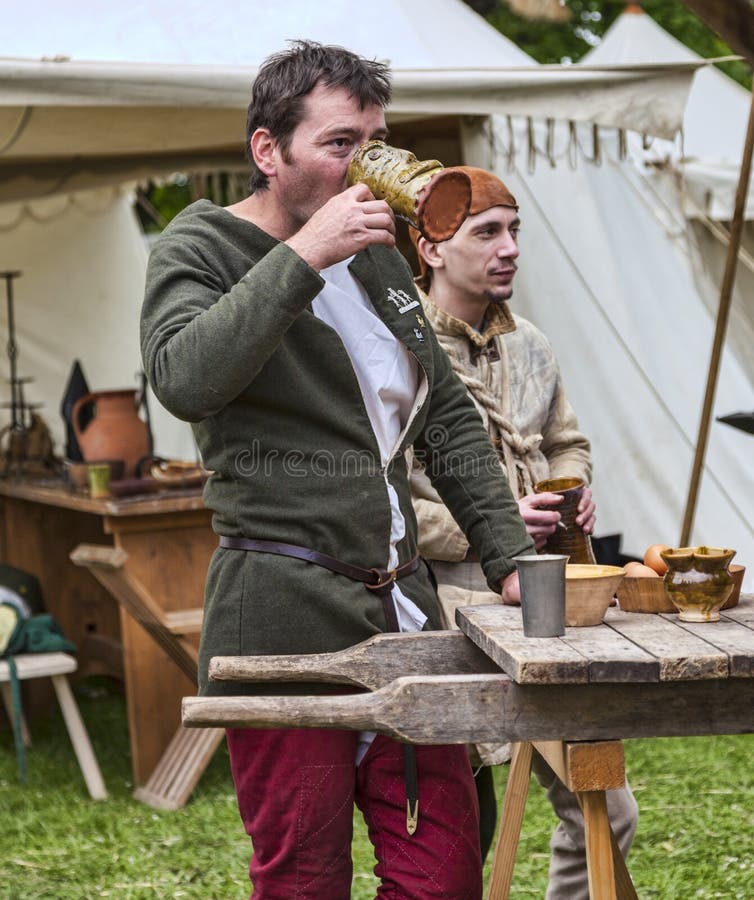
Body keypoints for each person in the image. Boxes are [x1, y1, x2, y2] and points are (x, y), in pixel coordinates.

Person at [141, 42, 535, 899]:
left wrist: (509, 559)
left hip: (405, 613)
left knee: (442, 880)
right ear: (267, 151)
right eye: (341, 144)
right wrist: (303, 255)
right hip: (283, 614)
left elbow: (447, 415)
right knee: (303, 882)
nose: (369, 164)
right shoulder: (201, 244)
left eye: (378, 140)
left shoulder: (382, 255)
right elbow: (184, 380)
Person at [408, 166, 639, 899]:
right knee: (460, 836)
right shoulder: (398, 353)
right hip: (446, 611)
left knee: (607, 808)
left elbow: (566, 441)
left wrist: (568, 488)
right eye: (486, 232)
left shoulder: (531, 343)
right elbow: (386, 503)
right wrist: (489, 533)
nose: (509, 248)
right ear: (431, 248)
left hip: (546, 608)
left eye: (515, 232)